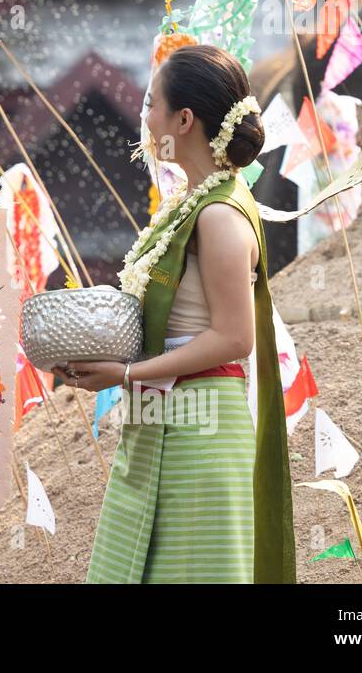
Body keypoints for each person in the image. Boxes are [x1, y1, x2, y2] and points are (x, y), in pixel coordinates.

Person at [54, 43, 296, 583]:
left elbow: (235, 338)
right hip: (166, 416)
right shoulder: (190, 203)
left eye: (150, 104)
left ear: (183, 119)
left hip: (202, 427)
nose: (143, 118)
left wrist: (128, 374)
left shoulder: (218, 216)